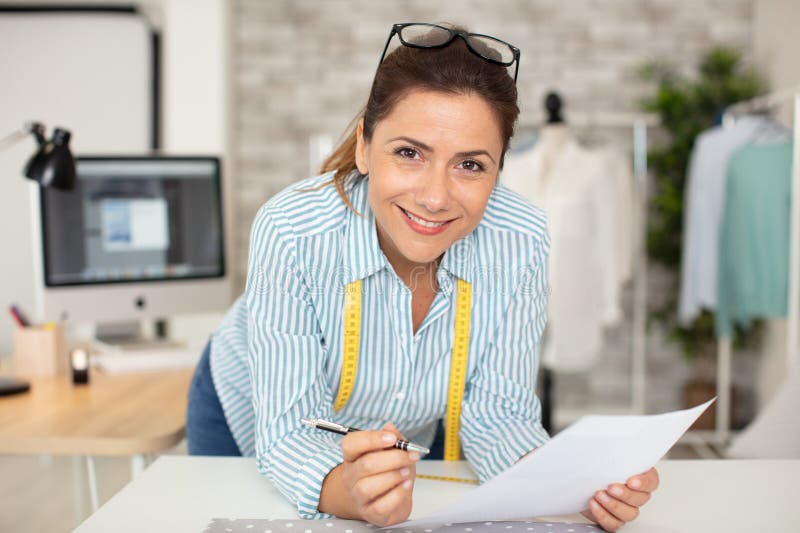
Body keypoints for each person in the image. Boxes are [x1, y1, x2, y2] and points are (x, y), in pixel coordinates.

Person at [187, 22, 658, 531]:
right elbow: (289, 428)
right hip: (251, 410)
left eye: (471, 165)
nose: (435, 197)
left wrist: (566, 487)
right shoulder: (294, 229)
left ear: (499, 170)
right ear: (365, 146)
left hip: (398, 435)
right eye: (409, 153)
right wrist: (342, 489)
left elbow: (500, 414)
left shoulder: (520, 239)